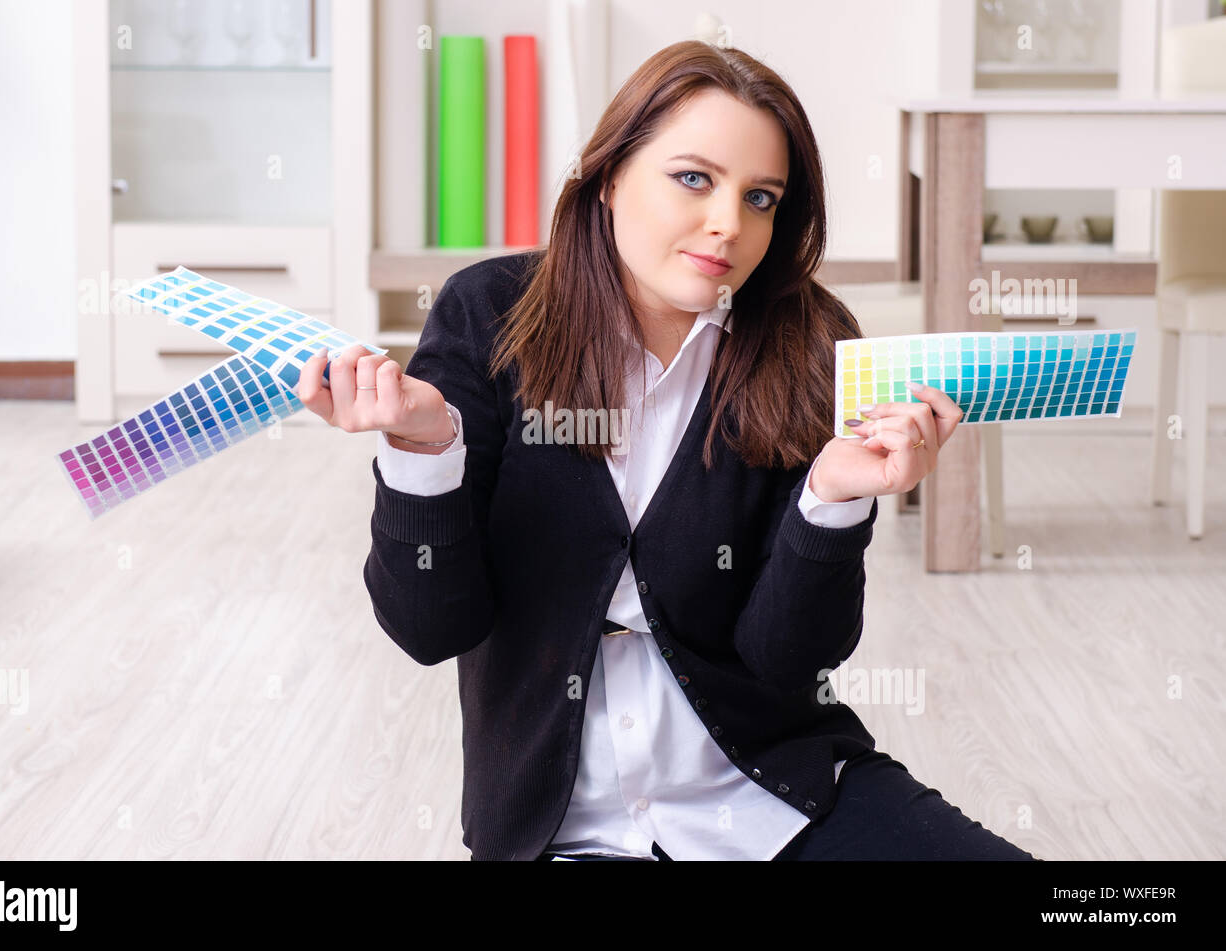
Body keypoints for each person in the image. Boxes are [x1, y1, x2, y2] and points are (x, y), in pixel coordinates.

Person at [296, 40, 1036, 862]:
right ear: (609, 177)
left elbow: (789, 656)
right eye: (694, 178)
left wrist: (831, 500)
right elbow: (429, 627)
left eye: (761, 198)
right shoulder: (488, 315)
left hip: (778, 795)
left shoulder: (808, 341)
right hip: (561, 826)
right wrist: (425, 452)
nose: (729, 223)